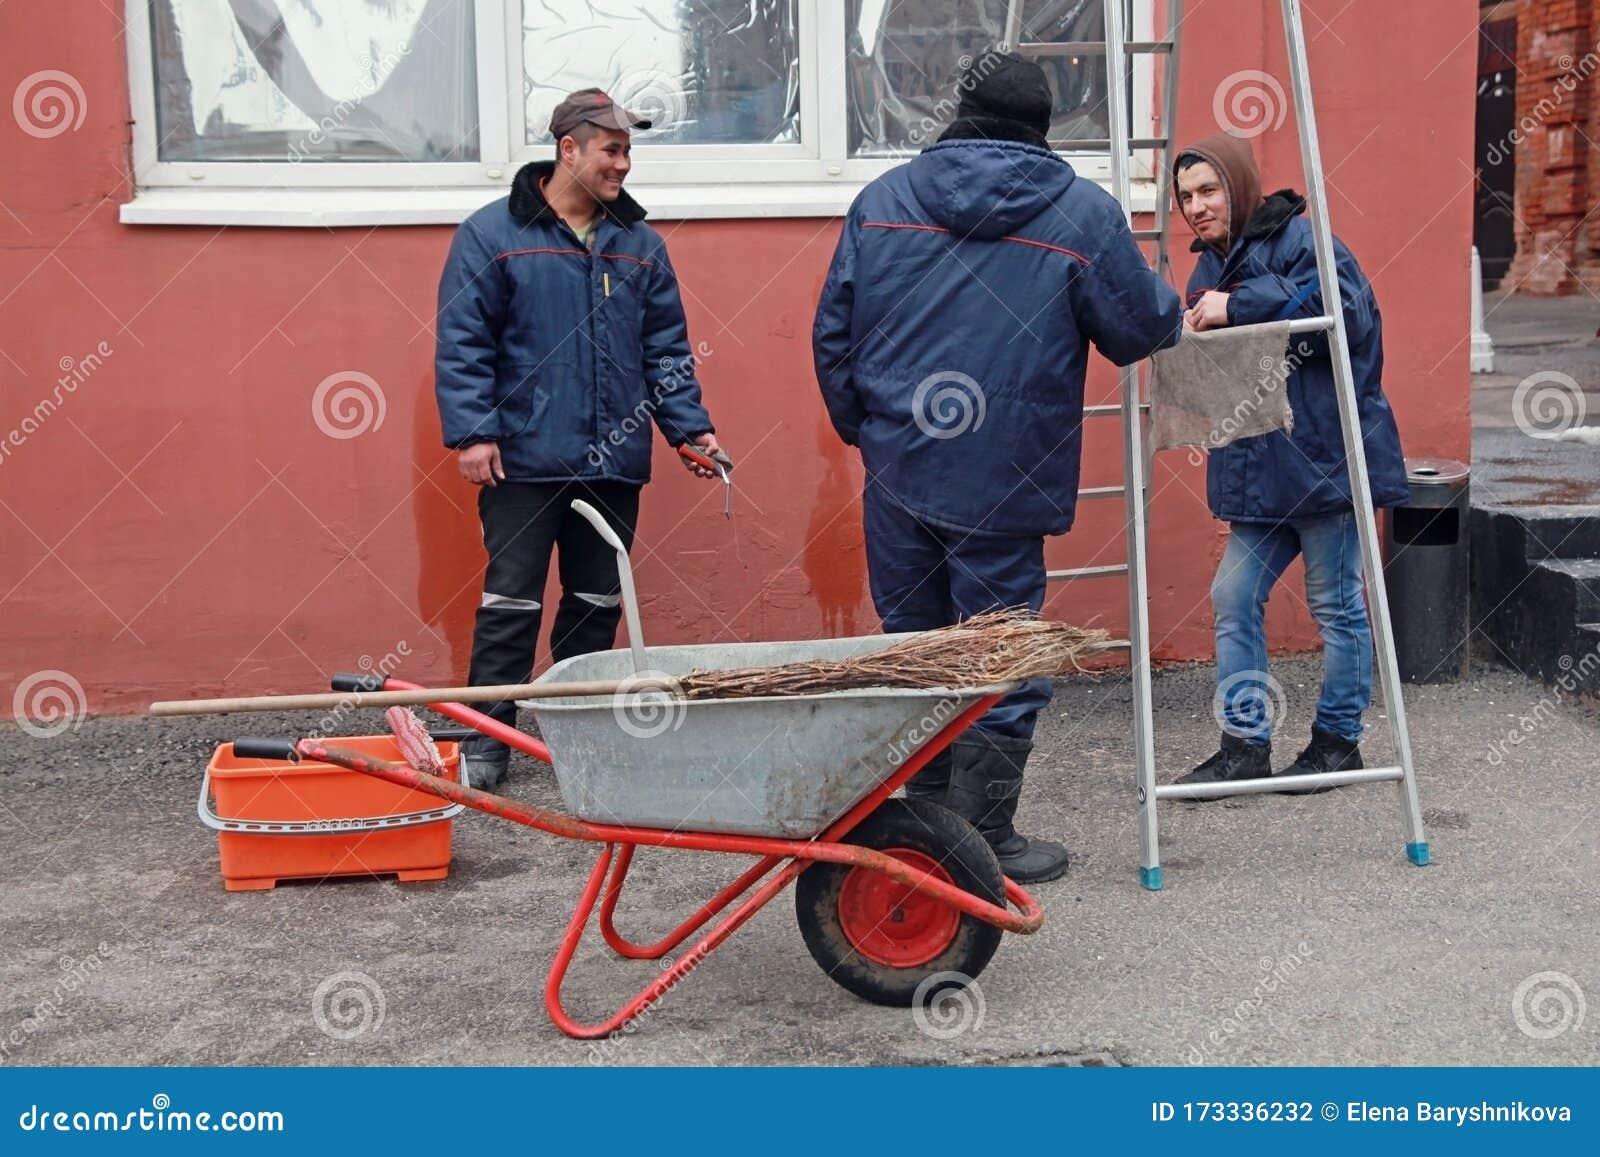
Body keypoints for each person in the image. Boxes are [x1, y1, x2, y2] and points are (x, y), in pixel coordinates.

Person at [812, 53, 1183, 882]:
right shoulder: (1080, 214)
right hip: (1008, 475)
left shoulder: (882, 202)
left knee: (914, 646)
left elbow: (832, 335)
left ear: (958, 112)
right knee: (1001, 653)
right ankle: (980, 841)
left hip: (899, 468)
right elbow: (1141, 328)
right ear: (1041, 129)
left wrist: (868, 432)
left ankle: (922, 830)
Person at [435, 88, 729, 790]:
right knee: (512, 603)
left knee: (596, 604)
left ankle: (580, 736)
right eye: (612, 150)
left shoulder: (640, 245)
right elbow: (463, 341)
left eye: (627, 151)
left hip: (613, 462)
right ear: (569, 148)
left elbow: (666, 351)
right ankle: (489, 740)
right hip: (524, 462)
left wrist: (691, 429)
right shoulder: (492, 235)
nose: (623, 165)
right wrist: (474, 432)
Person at [1169, 134, 1407, 796]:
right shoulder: (1204, 272)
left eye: (1209, 190)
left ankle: (1337, 743)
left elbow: (1348, 316)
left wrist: (1237, 308)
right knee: (1233, 595)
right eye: (1186, 196)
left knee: (1335, 605)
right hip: (1260, 469)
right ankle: (1244, 744)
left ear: (1238, 187)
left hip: (1325, 460)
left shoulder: (1305, 239)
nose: (1197, 206)